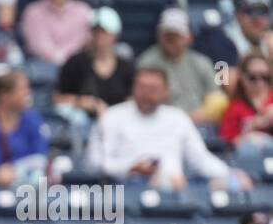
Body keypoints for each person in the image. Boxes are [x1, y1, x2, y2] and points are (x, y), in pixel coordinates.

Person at [86, 67, 253, 191]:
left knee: (233, 184)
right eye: (141, 87)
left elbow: (201, 159)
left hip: (176, 187)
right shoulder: (112, 116)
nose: (146, 94)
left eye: (152, 89)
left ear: (165, 92)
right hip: (125, 187)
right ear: (133, 88)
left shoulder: (177, 118)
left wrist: (229, 173)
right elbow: (95, 162)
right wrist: (130, 167)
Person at [53, 7, 135, 141]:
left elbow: (132, 99)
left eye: (104, 32)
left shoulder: (126, 66)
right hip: (83, 126)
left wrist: (114, 115)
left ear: (114, 35)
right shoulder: (76, 62)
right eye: (95, 31)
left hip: (119, 127)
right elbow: (58, 99)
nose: (99, 36)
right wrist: (86, 102)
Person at [137, 9, 224, 124]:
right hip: (158, 123)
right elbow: (143, 100)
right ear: (159, 35)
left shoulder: (202, 62)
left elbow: (217, 99)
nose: (171, 39)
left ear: (189, 37)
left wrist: (201, 115)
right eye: (167, 34)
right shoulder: (147, 62)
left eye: (176, 35)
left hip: (198, 123)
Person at [19, 0, 91, 66]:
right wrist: (61, 59)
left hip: (76, 68)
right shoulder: (33, 12)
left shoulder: (83, 11)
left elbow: (82, 42)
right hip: (43, 67)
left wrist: (68, 60)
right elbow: (39, 46)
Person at [196, 0, 273, 67]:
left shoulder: (267, 43)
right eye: (250, 11)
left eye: (263, 12)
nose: (258, 19)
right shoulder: (222, 41)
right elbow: (222, 78)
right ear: (238, 15)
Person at [219, 52, 273, 158]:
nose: (259, 82)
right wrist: (252, 127)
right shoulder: (235, 108)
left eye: (264, 77)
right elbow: (227, 144)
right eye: (253, 77)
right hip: (251, 162)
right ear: (242, 77)